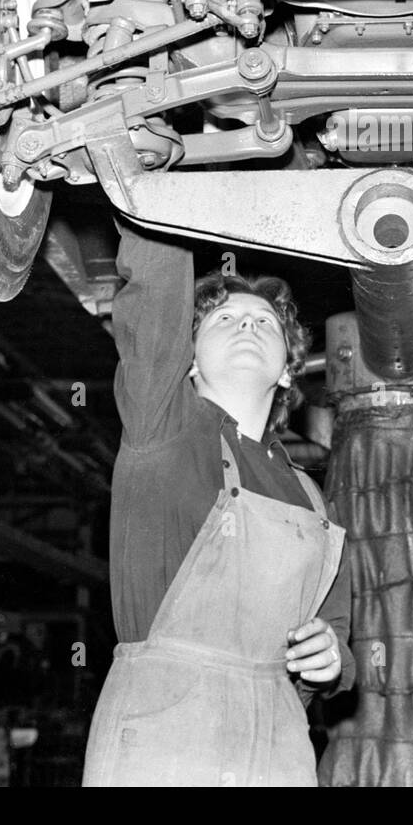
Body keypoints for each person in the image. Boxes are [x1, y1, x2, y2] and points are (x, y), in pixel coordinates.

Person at [83, 221, 352, 787]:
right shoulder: (163, 427)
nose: (247, 325)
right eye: (223, 319)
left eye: (264, 323)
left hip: (279, 745)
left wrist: (332, 658)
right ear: (189, 361)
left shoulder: (311, 497)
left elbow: (334, 631)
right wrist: (157, 187)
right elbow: (155, 294)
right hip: (165, 738)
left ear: (286, 370)